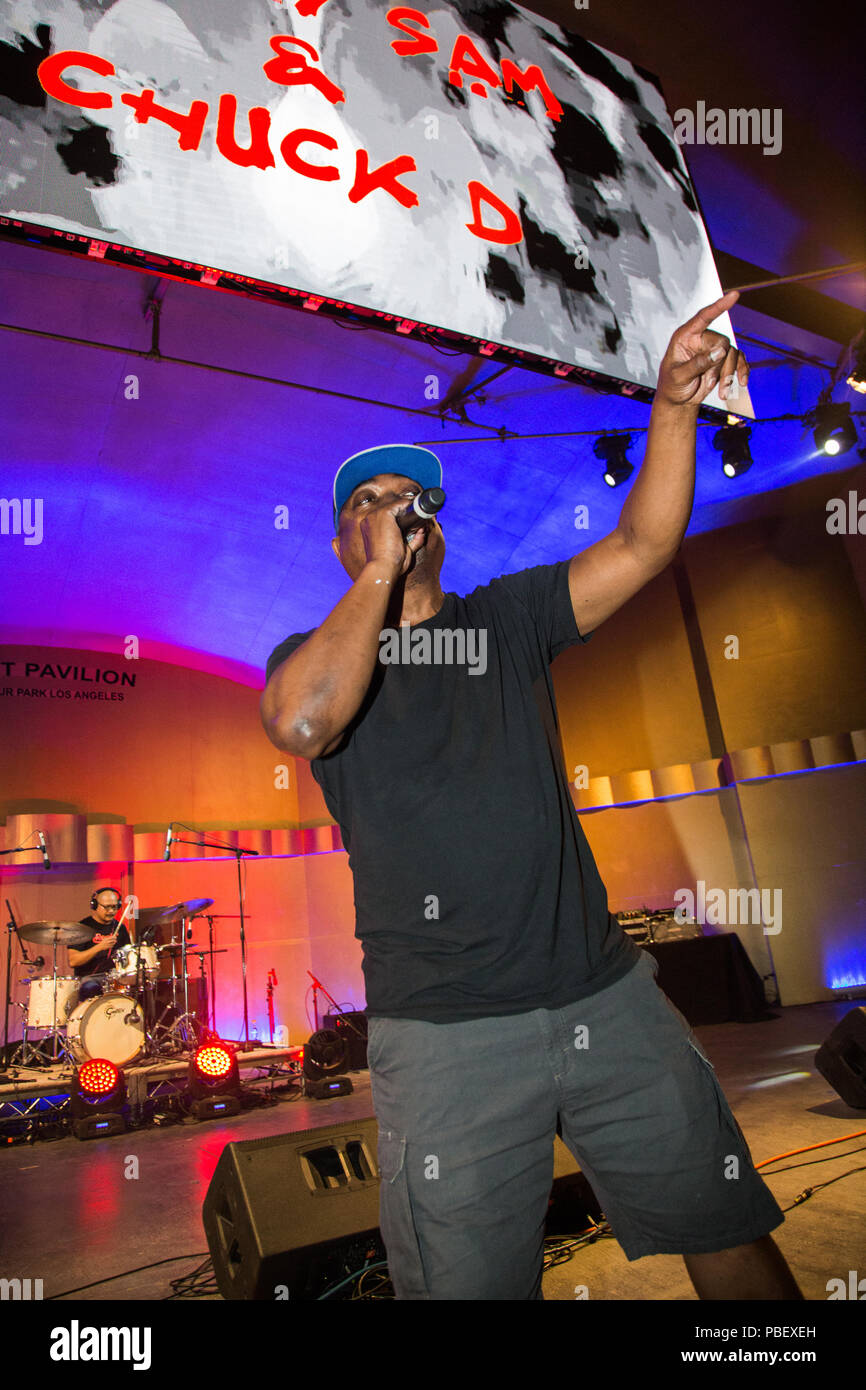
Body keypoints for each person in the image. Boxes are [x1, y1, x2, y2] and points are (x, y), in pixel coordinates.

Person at [261, 292, 802, 1301]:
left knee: (720, 1220)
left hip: (604, 997)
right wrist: (377, 580)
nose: (394, 512)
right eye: (367, 503)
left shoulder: (508, 620)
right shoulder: (313, 660)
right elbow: (300, 724)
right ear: (342, 543)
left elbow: (642, 544)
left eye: (409, 499)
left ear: (439, 530)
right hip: (445, 1036)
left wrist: (671, 406)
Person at [68, 888, 134, 1001]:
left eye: (114, 907)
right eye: (107, 907)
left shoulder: (121, 929)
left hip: (115, 978)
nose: (111, 911)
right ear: (95, 906)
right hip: (90, 979)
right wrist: (99, 947)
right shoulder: (81, 928)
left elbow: (128, 958)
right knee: (90, 987)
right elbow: (73, 961)